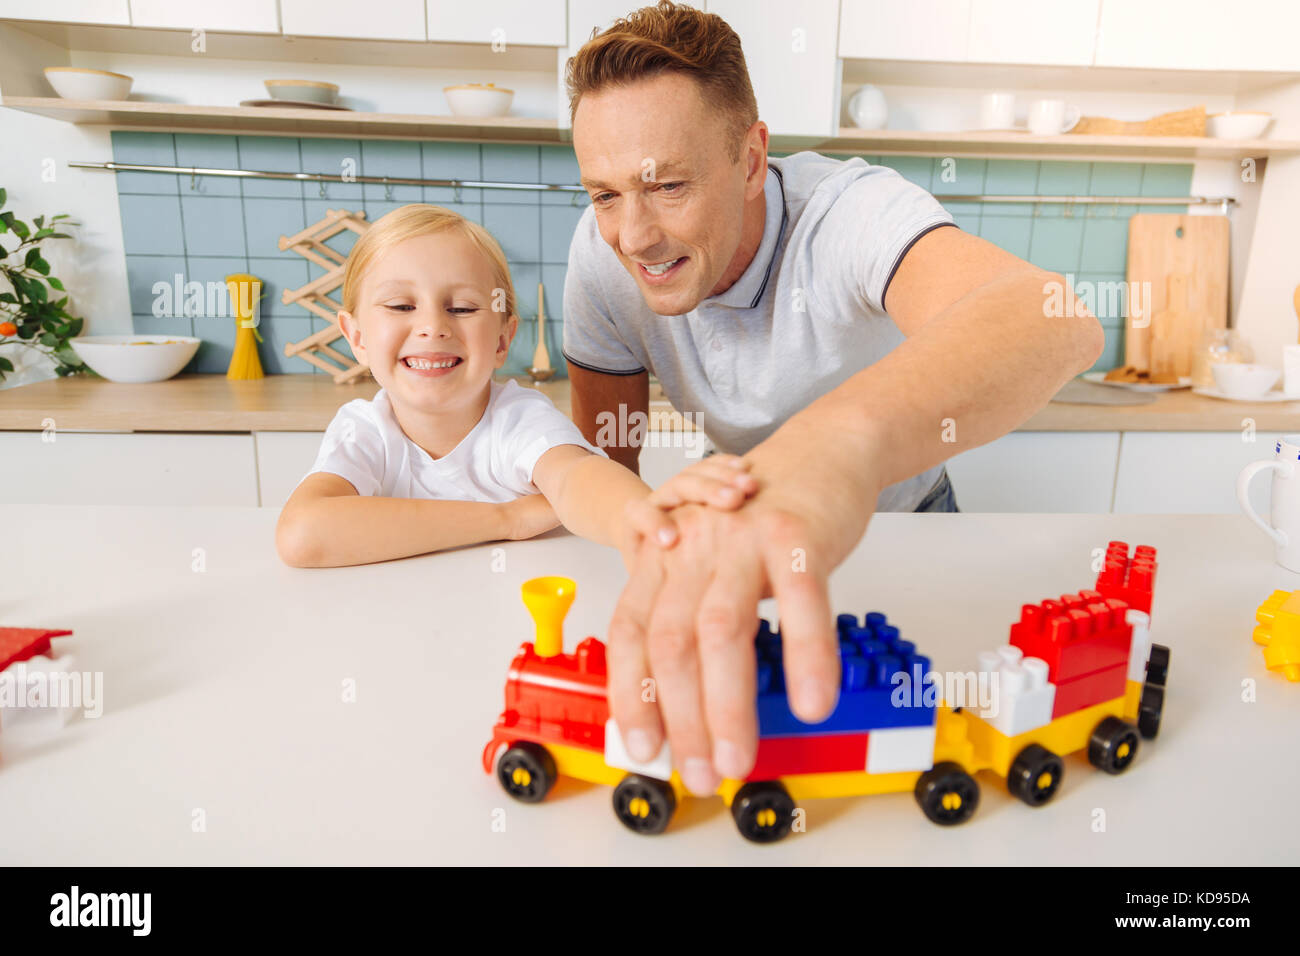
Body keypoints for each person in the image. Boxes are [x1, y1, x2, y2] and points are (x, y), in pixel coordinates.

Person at [561, 2, 1105, 796]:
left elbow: (1056, 320)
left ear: (751, 159)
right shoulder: (601, 255)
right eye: (604, 194)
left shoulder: (847, 213)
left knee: (904, 750)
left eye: (667, 186)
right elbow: (608, 463)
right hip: (743, 539)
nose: (632, 236)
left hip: (908, 527)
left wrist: (834, 447)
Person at [274, 204, 755, 568]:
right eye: (401, 306)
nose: (432, 327)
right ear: (355, 336)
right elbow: (302, 534)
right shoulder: (364, 430)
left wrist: (649, 519)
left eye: (461, 308)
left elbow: (578, 477)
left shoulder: (520, 419)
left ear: (503, 338)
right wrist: (507, 520)